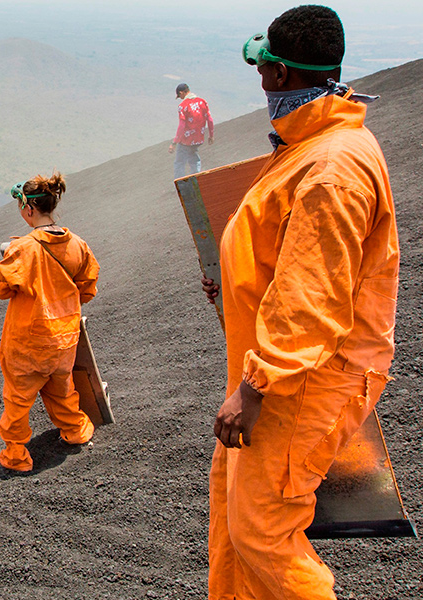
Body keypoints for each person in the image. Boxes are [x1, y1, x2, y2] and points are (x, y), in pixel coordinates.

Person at [201, 7, 397, 598]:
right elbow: (295, 257)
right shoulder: (313, 142)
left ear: (279, 76)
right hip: (285, 371)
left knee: (263, 530)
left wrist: (255, 388)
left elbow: (310, 299)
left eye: (262, 68)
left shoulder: (330, 168)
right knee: (236, 515)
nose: (259, 80)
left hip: (300, 380)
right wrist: (234, 276)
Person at [0, 172, 99, 480]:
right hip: (65, 338)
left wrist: (7, 255)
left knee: (18, 401)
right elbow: (87, 288)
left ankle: (16, 456)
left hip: (29, 341)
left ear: (29, 210)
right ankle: (75, 431)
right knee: (61, 388)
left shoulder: (24, 248)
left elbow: (0, 288)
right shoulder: (77, 244)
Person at [169, 82, 215, 179]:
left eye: (179, 95)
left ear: (182, 93)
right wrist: (211, 135)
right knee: (194, 159)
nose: (180, 98)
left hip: (186, 140)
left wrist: (174, 143)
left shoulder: (183, 106)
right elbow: (210, 119)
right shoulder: (203, 102)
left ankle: (180, 183)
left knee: (179, 162)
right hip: (198, 139)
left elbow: (182, 126)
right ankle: (197, 179)